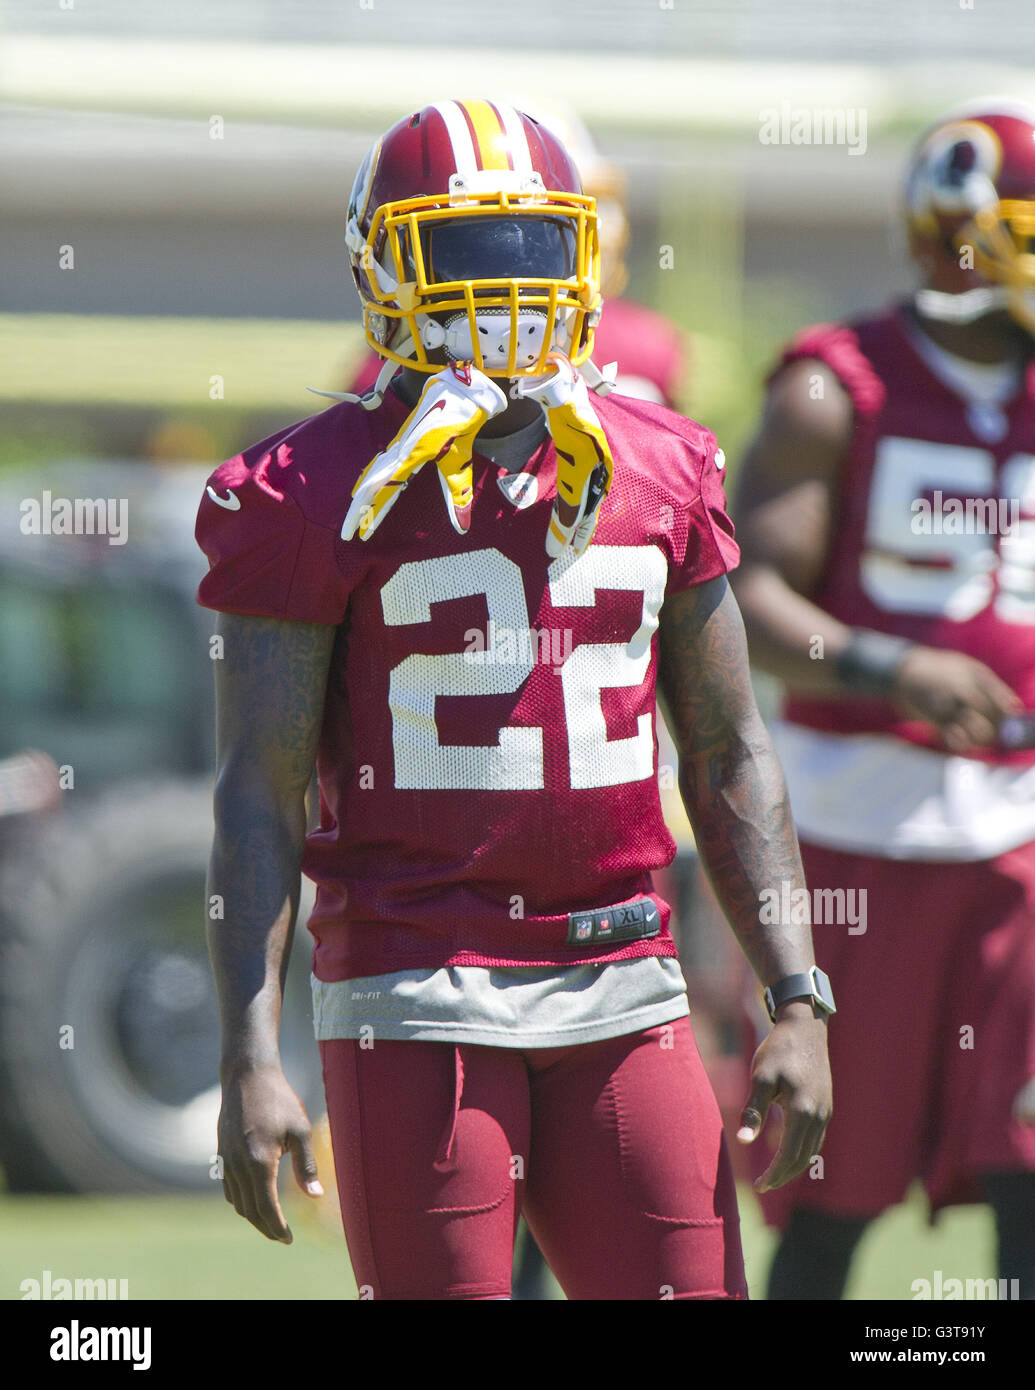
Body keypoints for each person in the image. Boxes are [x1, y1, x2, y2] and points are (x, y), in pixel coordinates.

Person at [196, 97, 832, 1301]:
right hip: (415, 987)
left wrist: (793, 994)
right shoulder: (306, 488)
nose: (508, 287)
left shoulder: (662, 462)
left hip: (624, 978)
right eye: (464, 251)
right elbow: (259, 790)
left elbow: (730, 748)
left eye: (537, 246)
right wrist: (247, 1056)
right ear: (382, 262)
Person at [730, 99, 1035, 1300]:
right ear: (956, 234)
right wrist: (891, 668)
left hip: (1022, 832)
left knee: (1029, 1170)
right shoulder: (835, 386)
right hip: (863, 837)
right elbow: (742, 601)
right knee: (834, 1196)